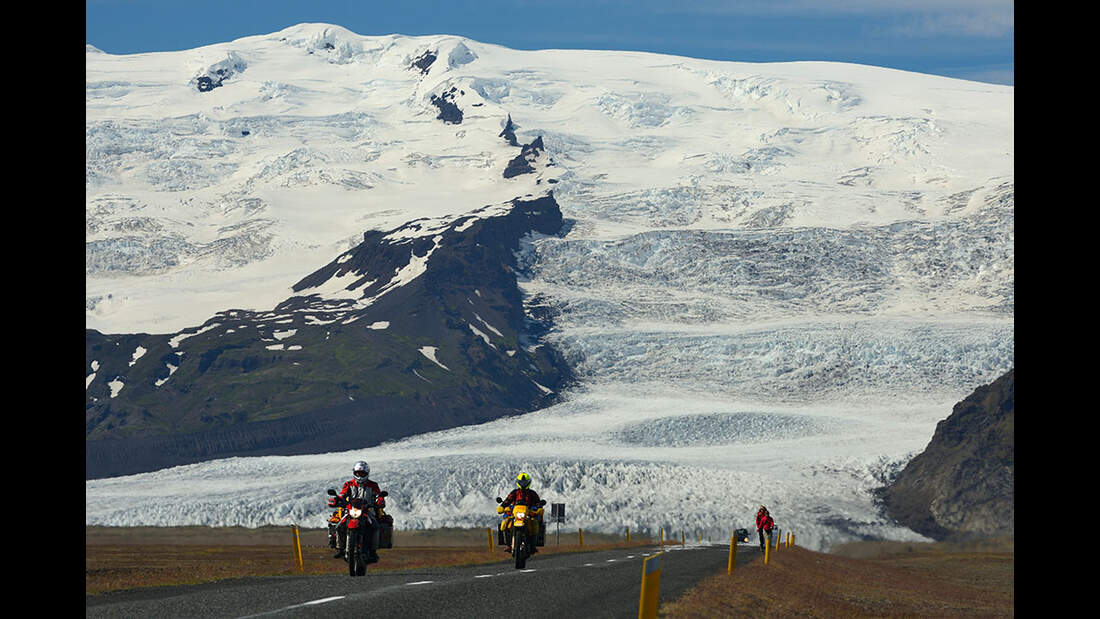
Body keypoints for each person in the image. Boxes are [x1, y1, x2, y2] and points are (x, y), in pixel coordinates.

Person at [333, 460, 385, 562]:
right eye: (358, 473)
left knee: (375, 526)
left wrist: (380, 500)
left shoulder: (373, 485)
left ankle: (373, 551)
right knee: (339, 525)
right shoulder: (348, 484)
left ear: (367, 473)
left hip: (367, 510)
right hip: (351, 510)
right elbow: (342, 494)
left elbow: (379, 496)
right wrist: (337, 499)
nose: (360, 475)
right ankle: (340, 548)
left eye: (362, 473)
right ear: (354, 473)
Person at [499, 472, 542, 554]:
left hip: (528, 513)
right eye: (521, 482)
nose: (523, 484)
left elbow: (538, 502)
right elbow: (507, 500)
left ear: (528, 482)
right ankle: (508, 544)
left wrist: (539, 508)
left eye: (525, 482)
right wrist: (502, 506)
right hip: (515, 512)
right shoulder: (515, 492)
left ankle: (533, 546)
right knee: (505, 523)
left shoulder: (532, 493)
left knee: (535, 524)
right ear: (518, 482)